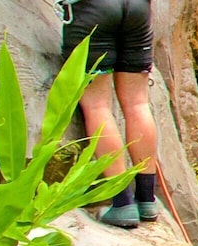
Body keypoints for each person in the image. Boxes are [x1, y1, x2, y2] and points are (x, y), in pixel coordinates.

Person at [62, 0, 161, 228]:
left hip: (93, 9)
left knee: (97, 105)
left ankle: (122, 202)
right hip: (137, 9)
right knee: (138, 103)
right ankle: (147, 199)